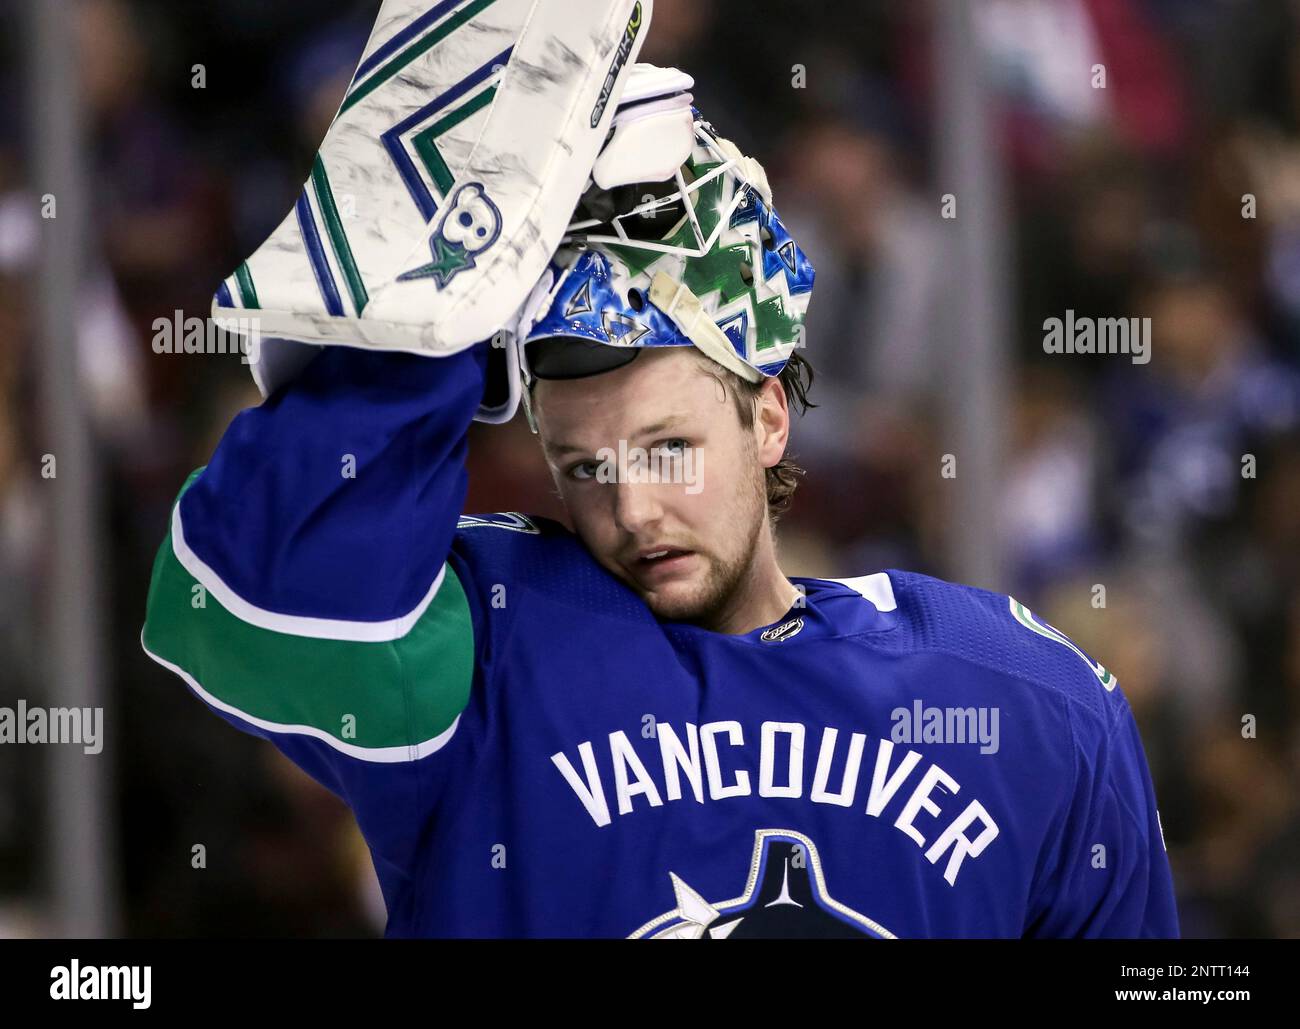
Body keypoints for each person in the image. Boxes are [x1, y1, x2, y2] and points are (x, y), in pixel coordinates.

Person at [141, 89, 1178, 938]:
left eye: (667, 448)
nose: (630, 509)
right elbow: (237, 602)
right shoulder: (487, 657)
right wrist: (438, 298)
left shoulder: (1021, 700)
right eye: (582, 466)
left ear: (768, 418)